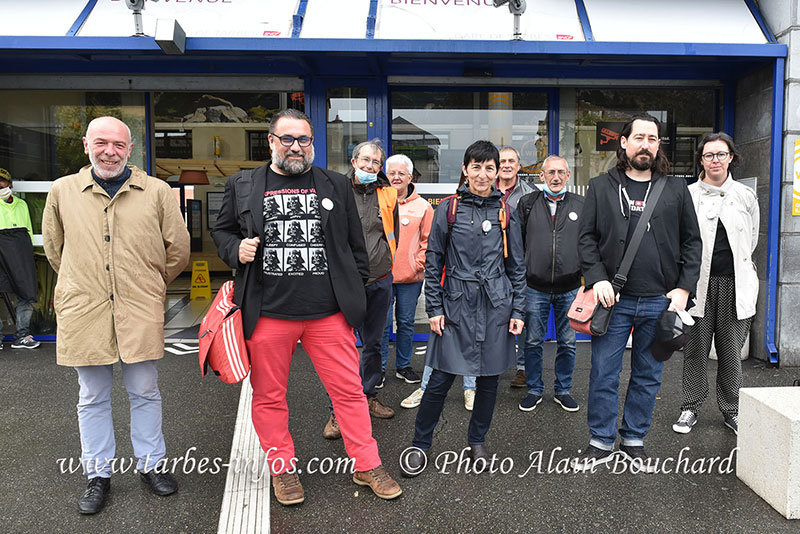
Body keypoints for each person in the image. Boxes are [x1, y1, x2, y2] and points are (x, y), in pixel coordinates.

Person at [211, 109, 402, 505]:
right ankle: (282, 470)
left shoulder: (334, 185)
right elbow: (223, 230)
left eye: (305, 140)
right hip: (267, 314)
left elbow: (355, 247)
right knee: (268, 396)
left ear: (313, 143)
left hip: (328, 314)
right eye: (288, 139)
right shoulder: (243, 185)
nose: (297, 147)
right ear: (271, 142)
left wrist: (355, 289)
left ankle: (366, 464)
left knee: (349, 392)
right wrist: (235, 249)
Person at [42, 116, 190, 514]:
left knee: (145, 389)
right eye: (102, 143)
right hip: (85, 309)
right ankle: (98, 474)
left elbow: (177, 249)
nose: (110, 151)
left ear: (130, 149)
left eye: (119, 145)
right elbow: (57, 251)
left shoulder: (156, 191)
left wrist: (150, 284)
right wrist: (83, 282)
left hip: (138, 307)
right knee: (91, 396)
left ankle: (151, 465)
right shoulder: (63, 191)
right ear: (87, 145)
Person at [573, 113, 701, 473]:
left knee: (648, 375)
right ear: (624, 143)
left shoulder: (676, 189)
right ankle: (600, 441)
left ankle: (633, 440)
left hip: (661, 301)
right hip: (613, 300)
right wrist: (597, 278)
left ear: (658, 145)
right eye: (639, 137)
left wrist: (682, 290)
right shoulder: (600, 187)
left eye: (653, 138)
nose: (646, 144)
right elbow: (586, 239)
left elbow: (693, 243)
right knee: (603, 373)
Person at [402, 140, 526, 475]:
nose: (483, 174)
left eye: (490, 168)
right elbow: (433, 262)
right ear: (465, 169)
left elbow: (516, 265)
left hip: (496, 306)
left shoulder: (505, 211)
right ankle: (420, 444)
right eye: (477, 167)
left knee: (488, 381)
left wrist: (517, 311)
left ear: (497, 171)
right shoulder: (449, 209)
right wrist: (435, 309)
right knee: (440, 379)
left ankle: (477, 440)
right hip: (456, 304)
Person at [673, 133, 758, 436]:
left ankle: (732, 410)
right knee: (695, 349)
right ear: (701, 160)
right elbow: (680, 241)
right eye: (709, 155)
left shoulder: (745, 196)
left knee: (731, 352)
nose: (715, 161)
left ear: (731, 157)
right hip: (698, 285)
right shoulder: (689, 195)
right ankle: (690, 407)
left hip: (735, 285)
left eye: (721, 155)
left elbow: (752, 240)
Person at [516, 155, 583, 413]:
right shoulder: (527, 203)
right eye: (550, 172)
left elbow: (589, 244)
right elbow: (518, 243)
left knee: (568, 341)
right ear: (541, 176)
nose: (556, 177)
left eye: (561, 173)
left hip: (570, 288)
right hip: (534, 287)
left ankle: (563, 390)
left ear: (568, 176)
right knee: (532, 341)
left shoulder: (581, 204)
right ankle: (534, 389)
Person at [380, 154, 431, 386]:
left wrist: (417, 264)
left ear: (410, 176)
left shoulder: (423, 206)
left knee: (406, 322)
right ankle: (378, 368)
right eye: (392, 173)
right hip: (380, 276)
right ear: (385, 175)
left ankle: (403, 365)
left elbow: (427, 241)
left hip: (410, 278)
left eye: (401, 173)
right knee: (382, 325)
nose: (396, 177)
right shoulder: (378, 201)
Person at [496, 146, 535, 388]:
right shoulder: (484, 188)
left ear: (519, 166)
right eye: (502, 161)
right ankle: (490, 366)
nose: (507, 165)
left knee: (524, 318)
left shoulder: (530, 194)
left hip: (521, 265)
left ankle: (522, 369)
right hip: (490, 265)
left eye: (512, 161)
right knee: (493, 318)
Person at [0, 167, 40, 350]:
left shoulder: (22, 204)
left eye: (3, 181)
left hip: (20, 250)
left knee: (27, 292)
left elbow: (29, 231)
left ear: (10, 183)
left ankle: (22, 335)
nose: (0, 185)